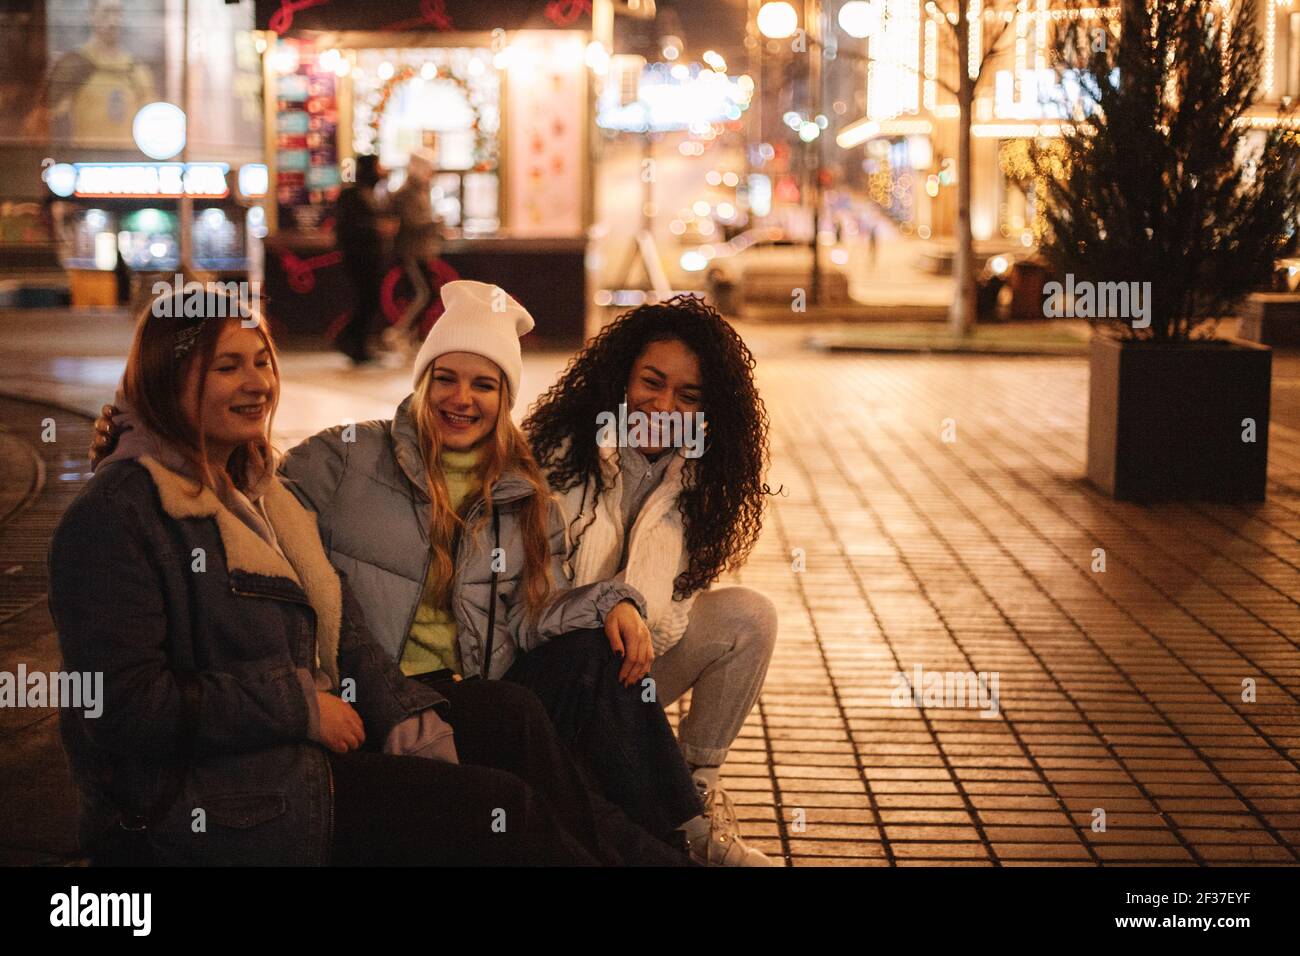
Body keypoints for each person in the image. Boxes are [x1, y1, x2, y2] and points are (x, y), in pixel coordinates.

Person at [54, 288, 688, 866]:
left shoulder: (264, 498)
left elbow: (350, 632)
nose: (258, 385)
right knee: (501, 809)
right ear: (170, 379)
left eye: (263, 362)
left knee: (515, 717)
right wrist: (300, 708)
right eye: (229, 367)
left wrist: (414, 724)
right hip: (220, 794)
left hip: (318, 733)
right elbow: (120, 706)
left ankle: (673, 841)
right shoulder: (124, 514)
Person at [524, 294, 779, 865]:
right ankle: (680, 823)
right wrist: (612, 606)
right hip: (553, 672)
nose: (664, 406)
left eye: (688, 396)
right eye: (652, 382)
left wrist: (637, 616)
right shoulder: (560, 456)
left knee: (748, 616)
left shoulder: (698, 481)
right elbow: (534, 601)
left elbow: (669, 615)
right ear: (621, 379)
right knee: (596, 645)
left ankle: (693, 792)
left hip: (625, 671)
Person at [384, 147, 442, 353]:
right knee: (423, 293)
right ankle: (398, 332)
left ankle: (409, 335)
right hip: (410, 252)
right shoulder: (405, 192)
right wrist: (435, 223)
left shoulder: (422, 190)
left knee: (425, 294)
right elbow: (412, 221)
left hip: (422, 251)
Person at [333, 154, 385, 365]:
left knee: (369, 301)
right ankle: (352, 343)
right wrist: (376, 228)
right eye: (378, 166)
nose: (382, 171)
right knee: (365, 301)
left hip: (370, 258)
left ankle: (356, 343)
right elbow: (349, 227)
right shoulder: (352, 195)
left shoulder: (371, 193)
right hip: (358, 258)